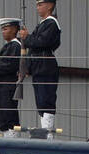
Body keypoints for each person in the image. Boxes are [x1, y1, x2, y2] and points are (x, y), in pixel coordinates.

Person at [19, 0, 61, 137]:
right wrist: (27, 68)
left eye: (40, 4)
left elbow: (42, 42)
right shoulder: (44, 24)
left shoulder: (51, 23)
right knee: (41, 101)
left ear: (49, 6)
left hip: (45, 65)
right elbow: (34, 48)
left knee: (46, 99)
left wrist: (27, 37)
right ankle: (45, 131)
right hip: (39, 65)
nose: (38, 7)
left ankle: (48, 133)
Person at [0, 18, 23, 133]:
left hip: (8, 85)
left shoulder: (15, 46)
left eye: (5, 29)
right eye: (2, 29)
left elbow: (9, 66)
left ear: (14, 30)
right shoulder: (9, 46)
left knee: (9, 116)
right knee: (3, 116)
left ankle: (12, 139)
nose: (3, 31)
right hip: (2, 86)